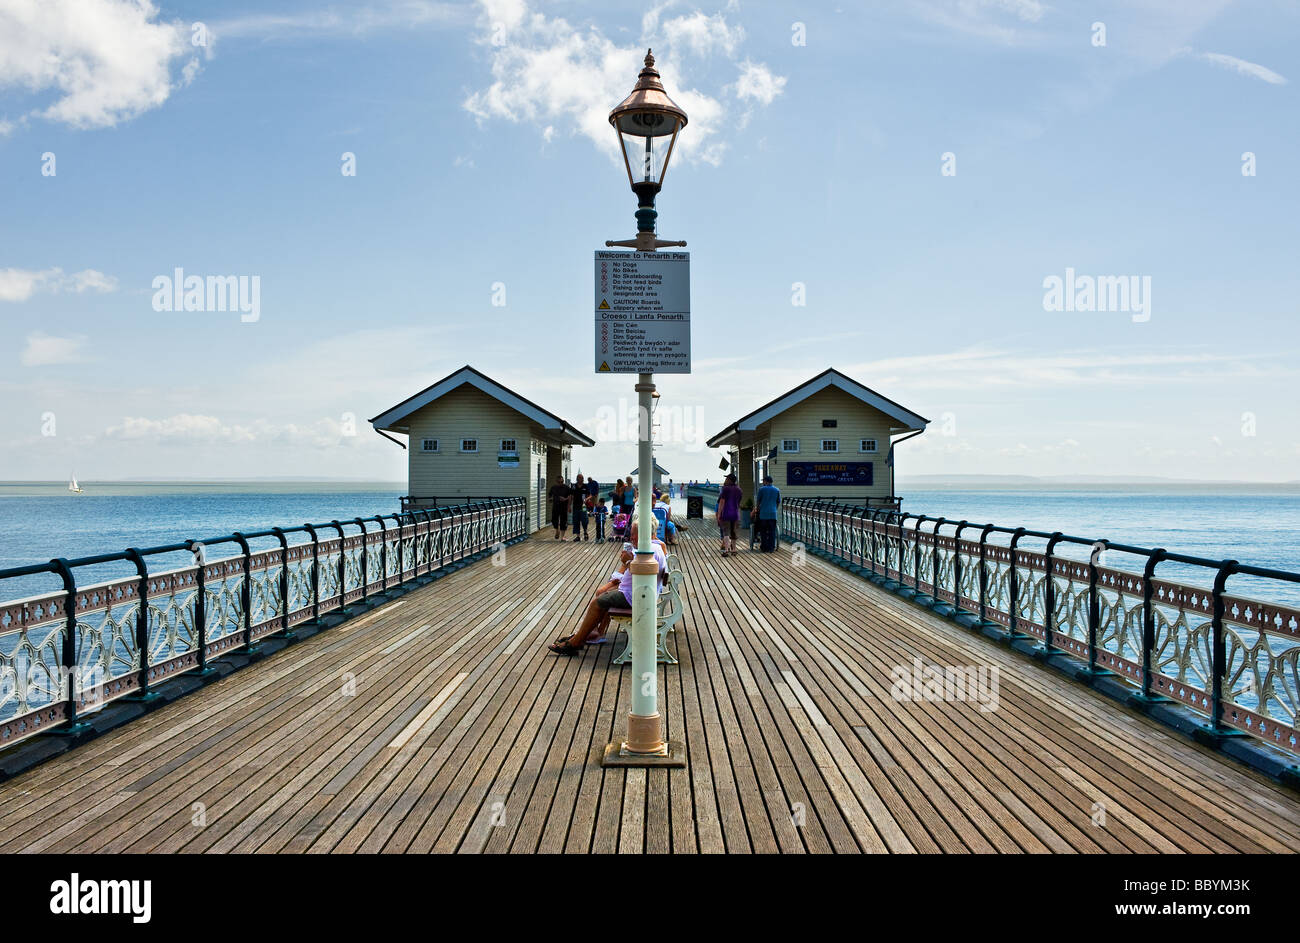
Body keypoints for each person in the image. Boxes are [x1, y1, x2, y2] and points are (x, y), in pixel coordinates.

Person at [549, 522, 667, 654]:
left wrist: (628, 562)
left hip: (635, 597)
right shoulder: (654, 547)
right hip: (639, 593)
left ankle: (575, 642)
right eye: (631, 534)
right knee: (604, 595)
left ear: (643, 534)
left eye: (634, 534)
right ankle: (582, 636)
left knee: (597, 603)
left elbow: (641, 574)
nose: (631, 537)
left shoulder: (648, 550)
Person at [716, 473, 742, 556]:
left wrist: (719, 514)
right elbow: (738, 502)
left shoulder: (725, 489)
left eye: (727, 479)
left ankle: (726, 550)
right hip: (735, 514)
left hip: (726, 513)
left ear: (730, 480)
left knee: (726, 532)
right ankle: (734, 549)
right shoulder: (739, 490)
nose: (725, 480)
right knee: (734, 532)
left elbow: (722, 502)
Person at [755, 475, 781, 552]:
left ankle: (764, 547)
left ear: (766, 481)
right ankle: (771, 548)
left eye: (763, 481)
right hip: (773, 514)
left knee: (763, 531)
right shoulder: (777, 490)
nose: (763, 482)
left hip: (763, 514)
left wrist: (758, 509)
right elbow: (778, 501)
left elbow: (758, 501)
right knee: (772, 531)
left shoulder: (762, 489)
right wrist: (775, 509)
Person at [548, 475, 571, 540]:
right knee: (554, 520)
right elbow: (550, 496)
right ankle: (557, 530)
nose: (560, 483)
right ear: (556, 482)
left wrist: (566, 500)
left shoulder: (566, 488)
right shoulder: (553, 488)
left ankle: (562, 537)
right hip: (555, 506)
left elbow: (570, 497)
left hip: (564, 507)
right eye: (559, 482)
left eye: (562, 481)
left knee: (563, 521)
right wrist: (550, 499)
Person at [571, 473, 589, 541]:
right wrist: (569, 506)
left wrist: (586, 499)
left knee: (584, 520)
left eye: (581, 478)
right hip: (575, 506)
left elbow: (590, 495)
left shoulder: (585, 486)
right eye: (579, 478)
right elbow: (571, 496)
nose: (580, 480)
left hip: (583, 506)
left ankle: (585, 531)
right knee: (576, 521)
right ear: (577, 479)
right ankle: (578, 536)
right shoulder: (573, 486)